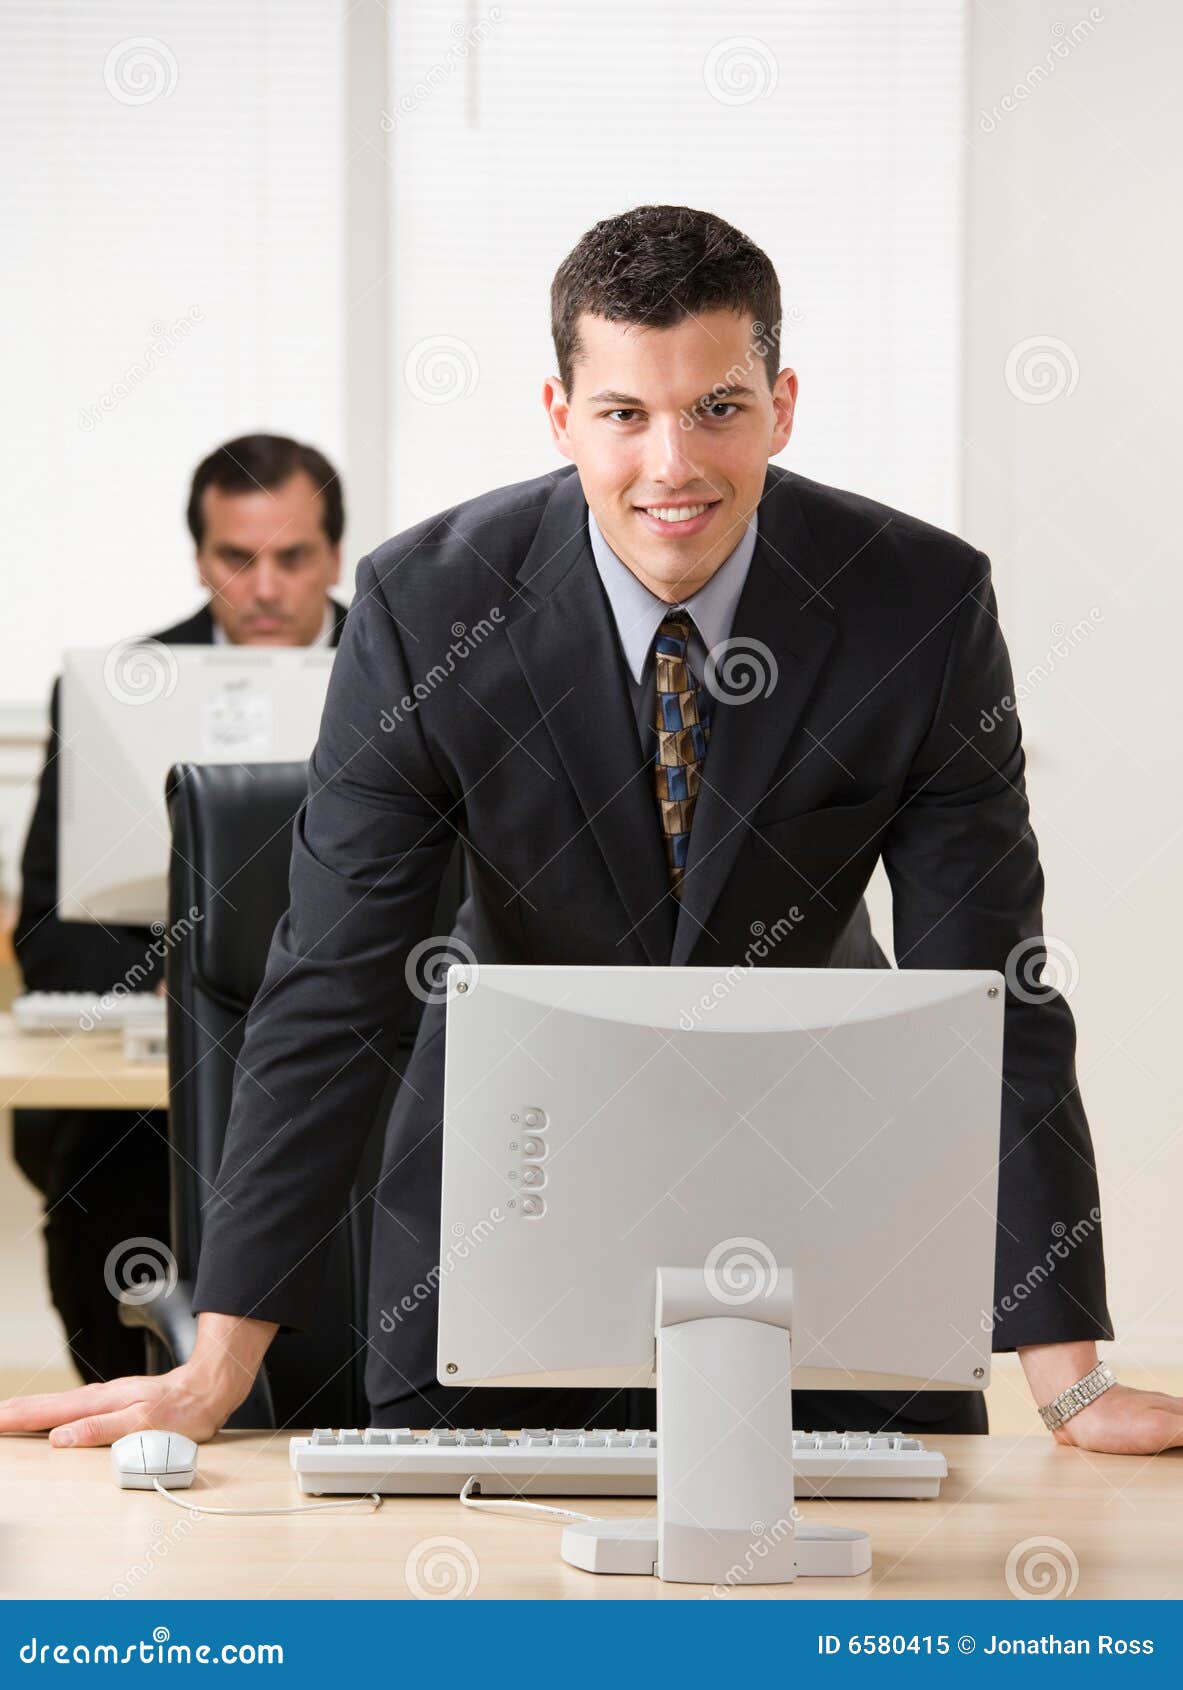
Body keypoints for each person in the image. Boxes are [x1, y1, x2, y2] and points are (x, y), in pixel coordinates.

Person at [6, 207, 1182, 1457]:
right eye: (624, 413)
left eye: (717, 408)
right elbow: (334, 989)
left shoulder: (918, 605)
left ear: (782, 405)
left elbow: (989, 991)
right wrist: (216, 1361)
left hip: (831, 1248)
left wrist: (1068, 1378)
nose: (671, 463)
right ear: (561, 414)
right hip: (502, 1249)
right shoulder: (429, 607)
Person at [10, 434, 349, 1386]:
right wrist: (167, 986)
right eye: (236, 559)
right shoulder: (117, 690)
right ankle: (130, 1400)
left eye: (292, 557)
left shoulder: (402, 675)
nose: (266, 587)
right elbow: (48, 925)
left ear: (333, 555)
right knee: (103, 1178)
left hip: (353, 1034)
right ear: (200, 556)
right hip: (156, 1063)